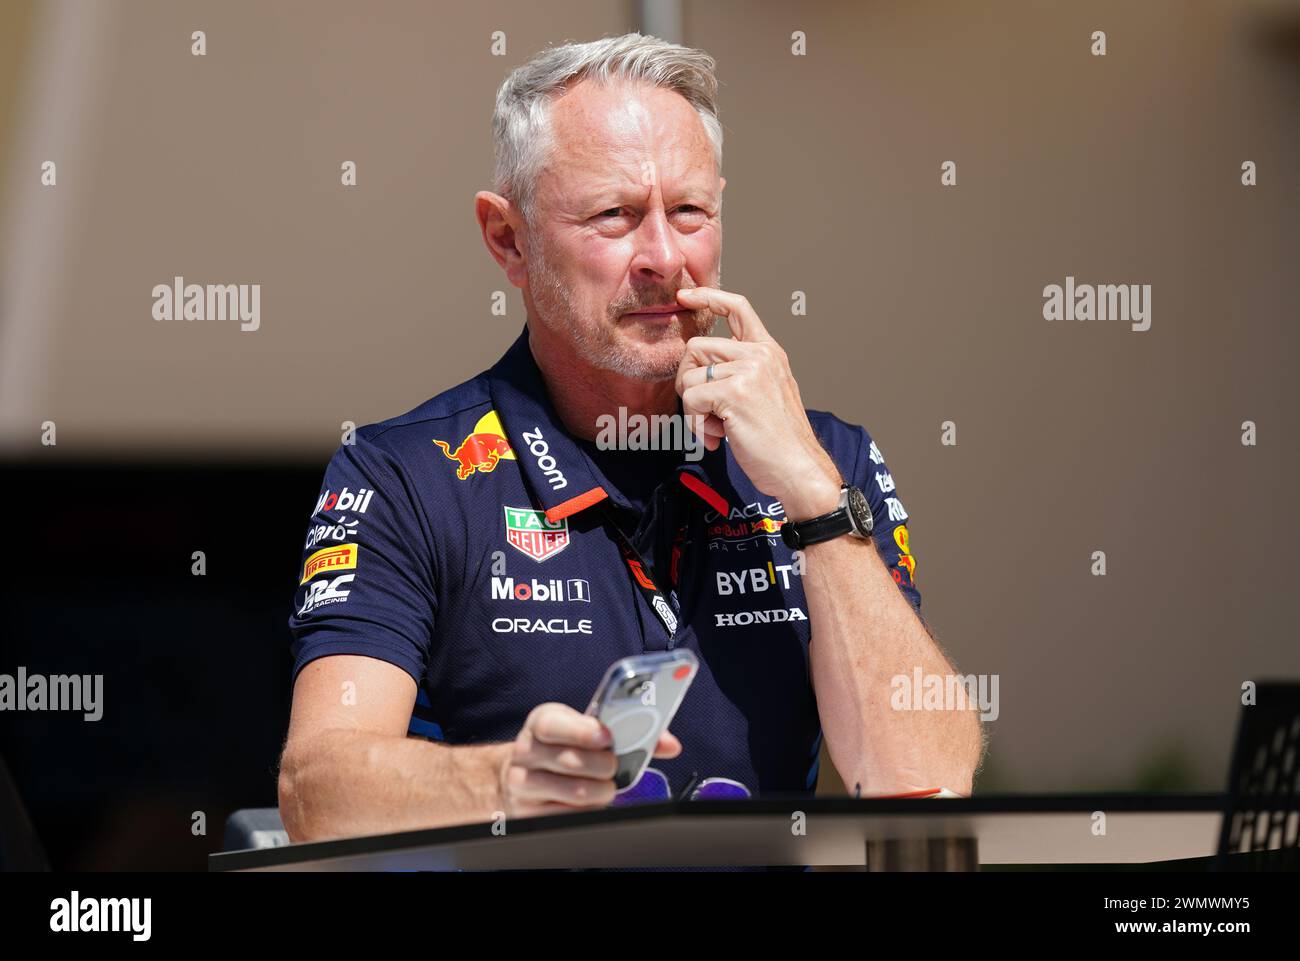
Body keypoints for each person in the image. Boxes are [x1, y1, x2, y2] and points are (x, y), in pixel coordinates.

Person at [277, 33, 982, 848]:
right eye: (613, 215)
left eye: (690, 212)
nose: (664, 258)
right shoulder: (404, 475)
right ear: (509, 239)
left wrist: (816, 499)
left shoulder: (826, 460)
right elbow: (317, 789)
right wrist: (507, 779)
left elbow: (921, 787)